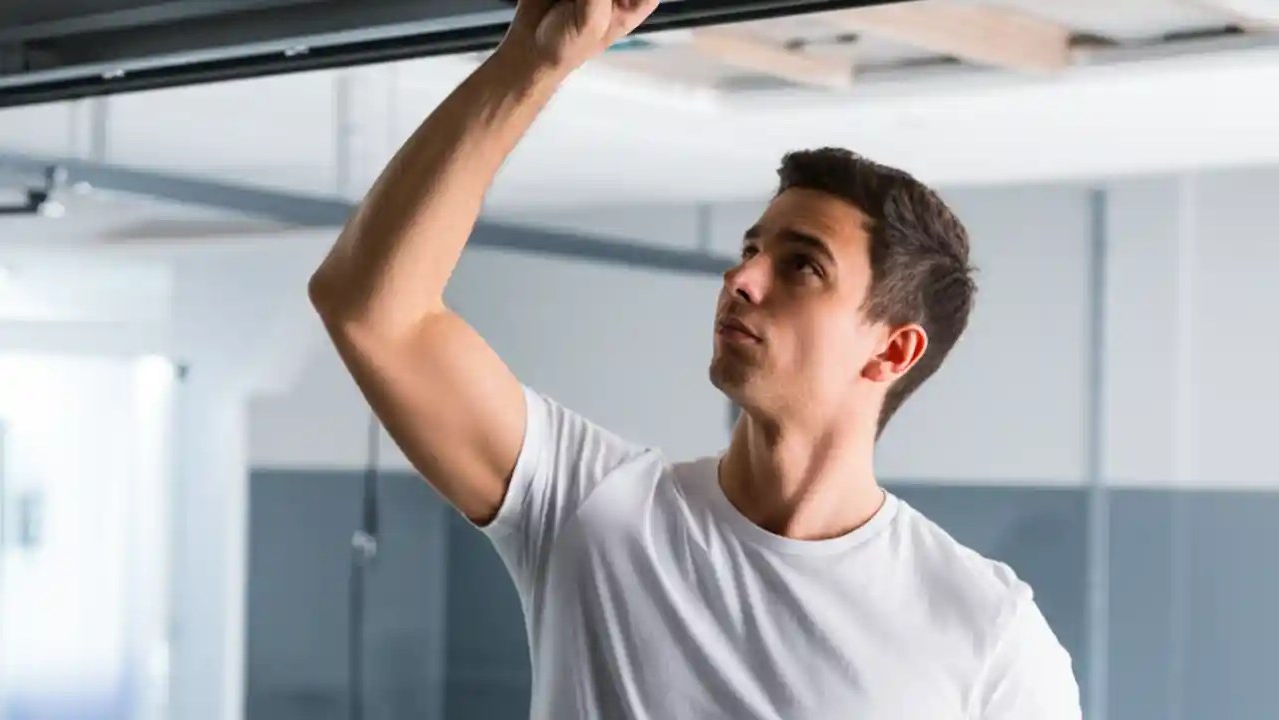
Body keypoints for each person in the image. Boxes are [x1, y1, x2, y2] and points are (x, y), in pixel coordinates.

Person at [308, 0, 1083, 716]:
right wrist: (530, 61)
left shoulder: (987, 631)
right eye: (752, 249)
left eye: (802, 265)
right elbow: (376, 311)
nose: (741, 278)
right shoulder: (594, 509)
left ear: (891, 350)